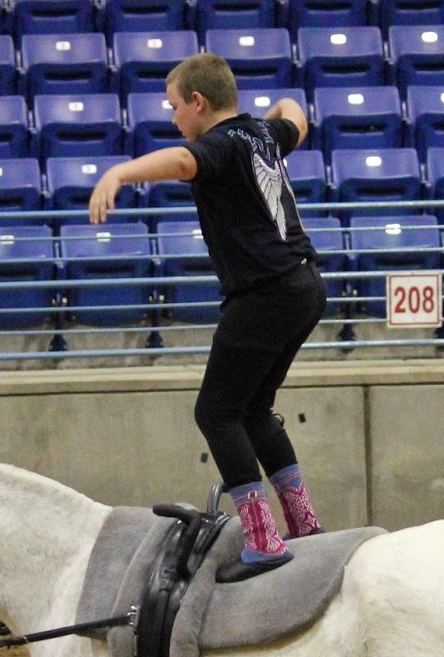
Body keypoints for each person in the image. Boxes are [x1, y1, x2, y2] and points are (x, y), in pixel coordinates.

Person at [89, 53, 328, 581]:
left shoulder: (219, 145)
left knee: (216, 413)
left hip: (265, 293)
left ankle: (264, 541)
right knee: (254, 410)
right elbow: (296, 113)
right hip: (306, 286)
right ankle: (304, 523)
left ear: (198, 102)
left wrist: (120, 171)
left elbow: (181, 162)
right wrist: (269, 112)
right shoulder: (264, 135)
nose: (174, 117)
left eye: (175, 106)